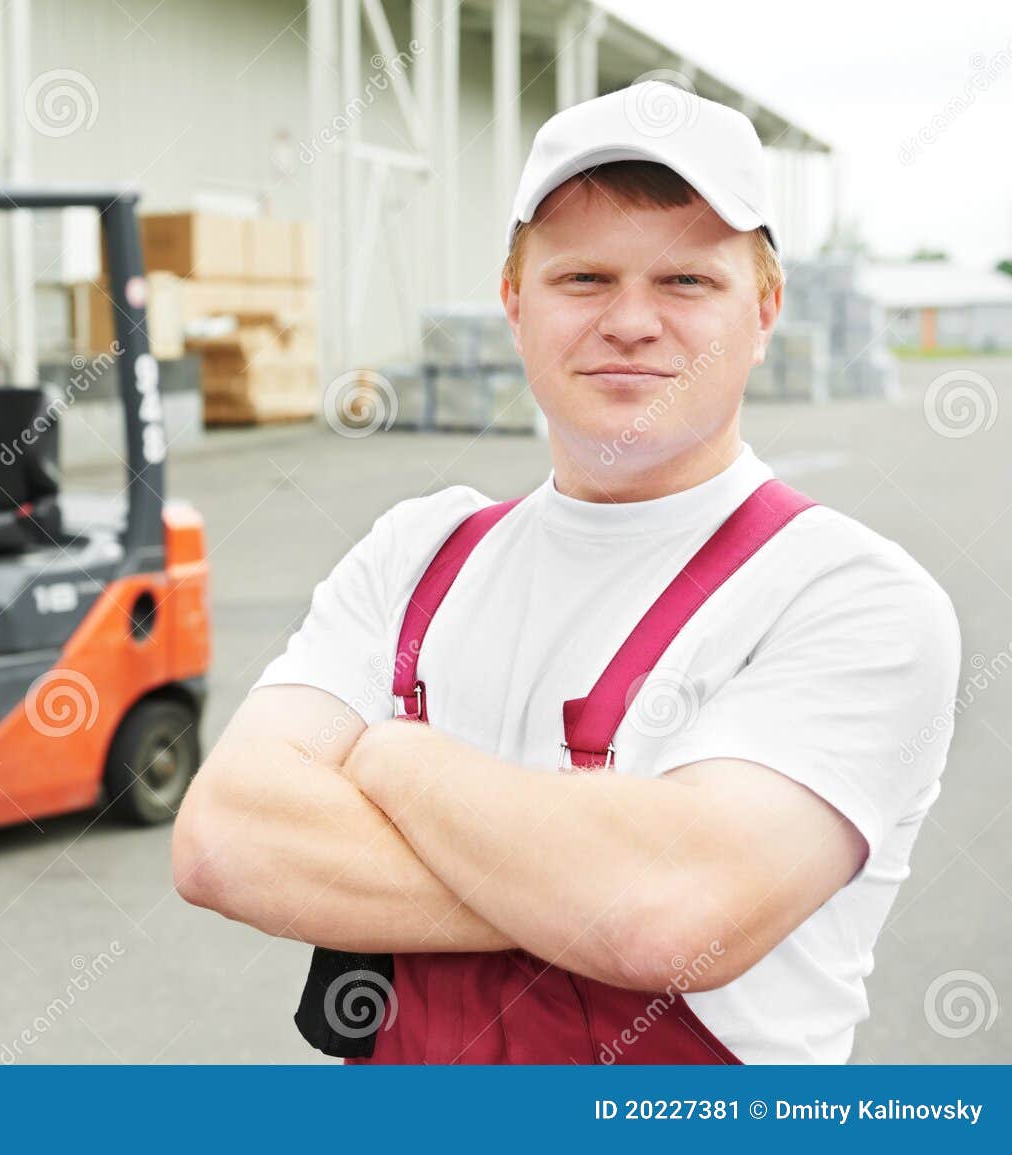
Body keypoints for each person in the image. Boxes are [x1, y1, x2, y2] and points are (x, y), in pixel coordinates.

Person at [171, 80, 962, 1064]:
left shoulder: (847, 599)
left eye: (685, 282)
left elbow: (673, 919)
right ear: (514, 304)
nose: (630, 321)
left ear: (762, 312)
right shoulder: (417, 554)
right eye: (583, 279)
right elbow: (223, 843)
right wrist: (586, 875)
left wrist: (390, 760)